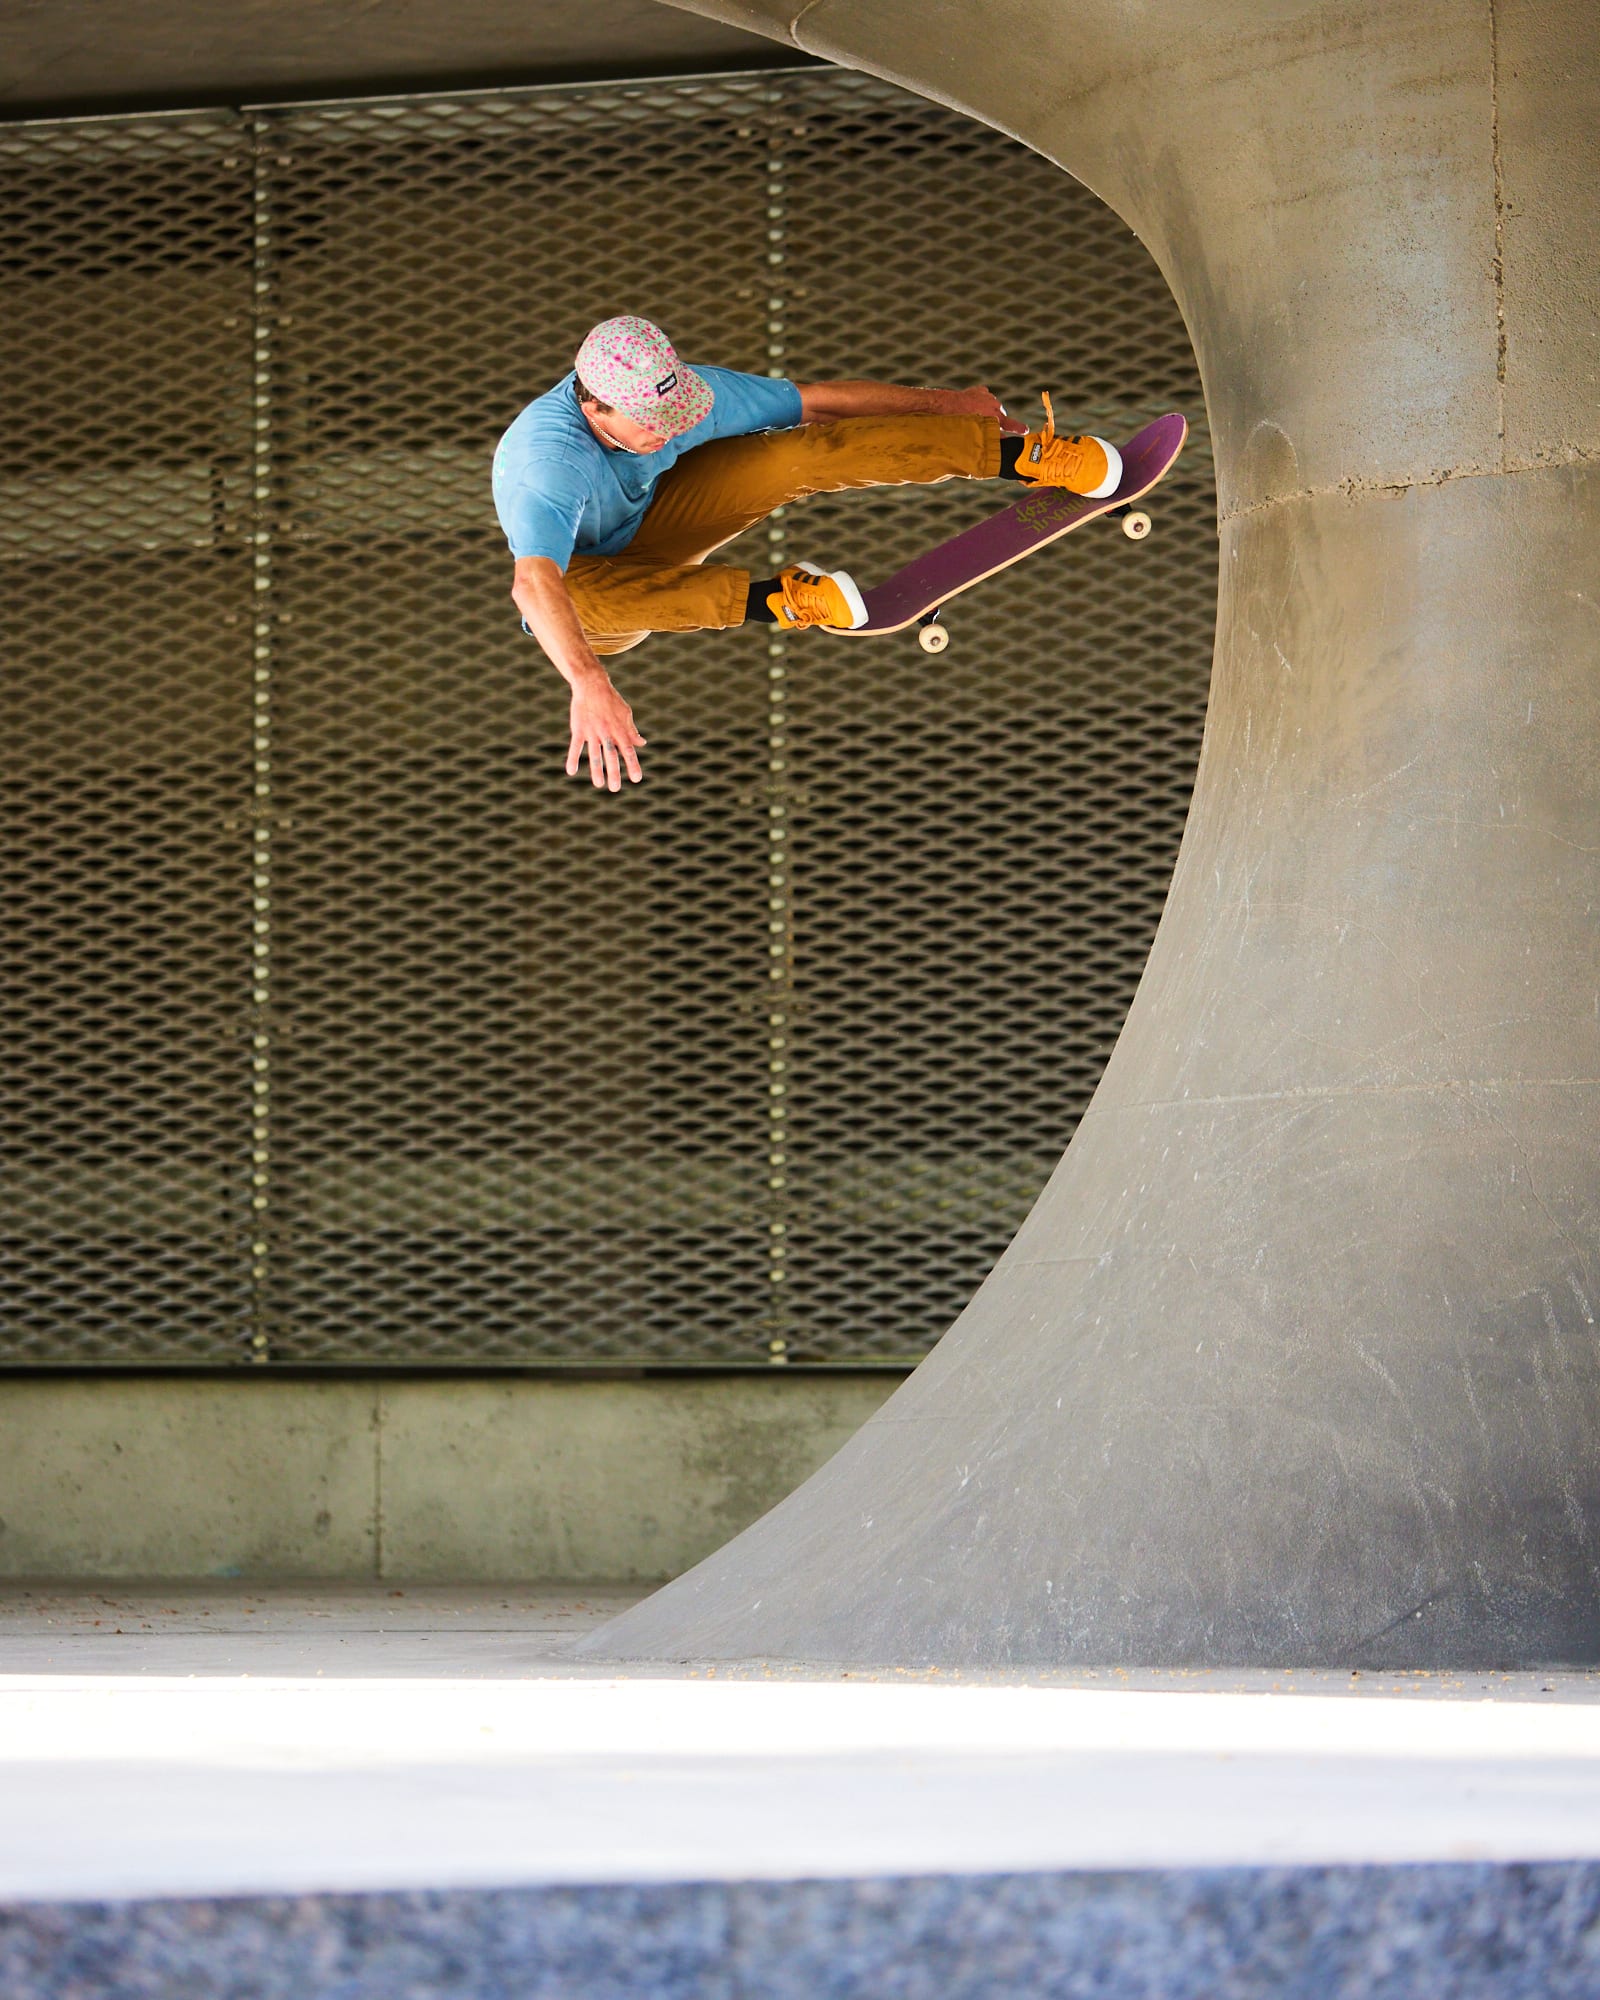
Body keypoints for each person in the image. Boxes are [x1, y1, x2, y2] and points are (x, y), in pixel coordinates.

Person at [492, 315, 1124, 792]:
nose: (672, 428)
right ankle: (780, 599)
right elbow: (532, 584)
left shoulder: (682, 399)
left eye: (675, 412)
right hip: (599, 608)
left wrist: (951, 404)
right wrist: (588, 682)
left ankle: (1022, 459)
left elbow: (817, 401)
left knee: (791, 452)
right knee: (570, 595)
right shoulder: (549, 464)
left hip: (663, 527)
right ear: (593, 404)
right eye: (652, 422)